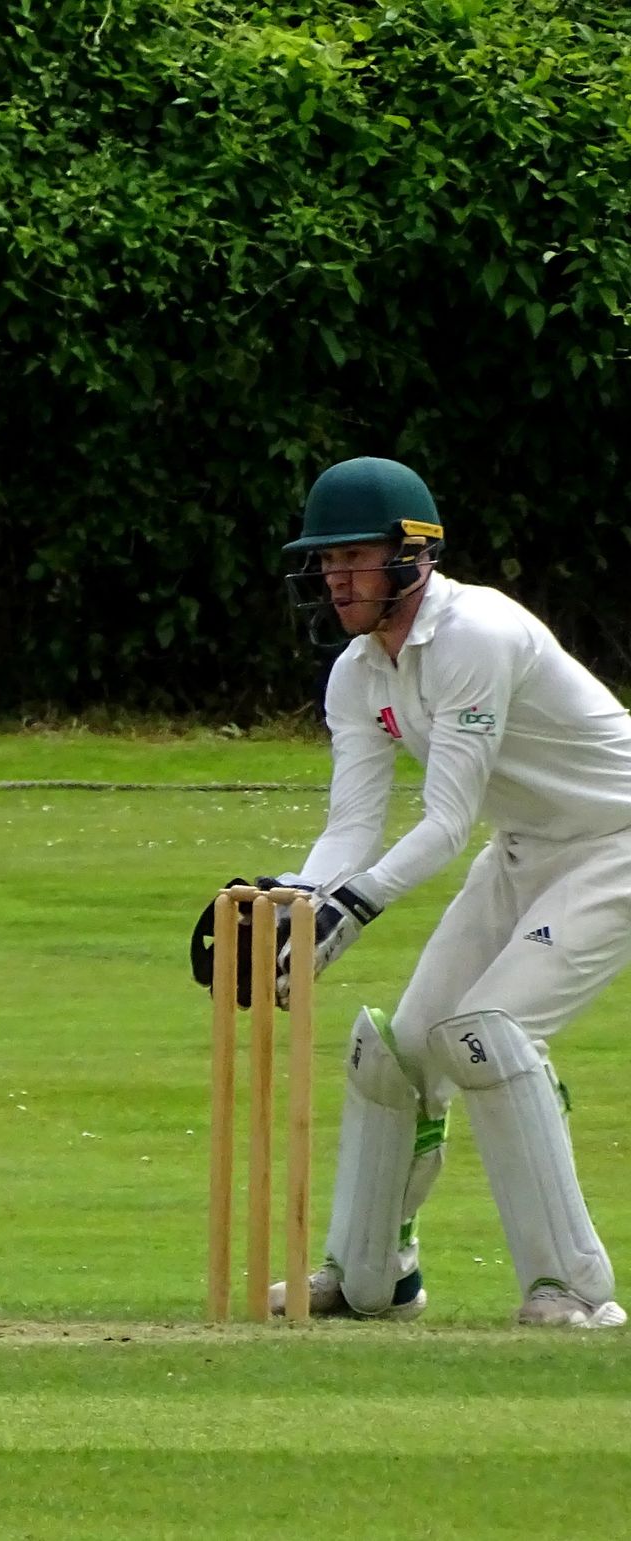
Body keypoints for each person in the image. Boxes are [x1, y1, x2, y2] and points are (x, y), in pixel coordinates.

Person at [195, 456, 631, 1328]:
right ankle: (373, 1277)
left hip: (613, 841)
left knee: (485, 1037)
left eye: (352, 557)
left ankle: (575, 1289)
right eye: (325, 561)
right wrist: (296, 899)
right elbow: (352, 826)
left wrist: (346, 914)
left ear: (412, 555)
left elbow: (443, 820)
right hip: (523, 850)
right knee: (397, 1053)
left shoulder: (478, 634)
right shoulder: (358, 673)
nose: (334, 578)